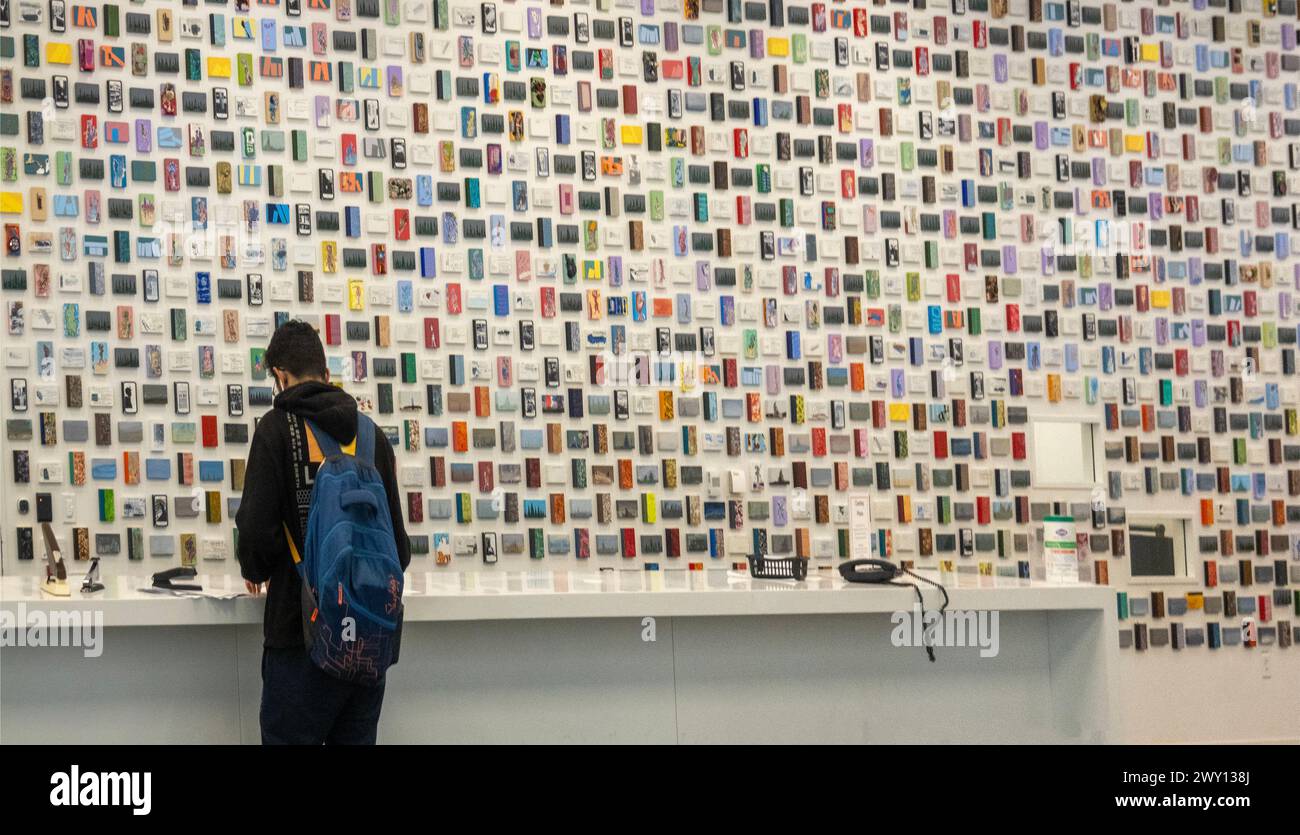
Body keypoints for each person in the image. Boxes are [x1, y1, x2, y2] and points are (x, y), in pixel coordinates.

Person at [236, 320, 410, 744]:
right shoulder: (371, 437)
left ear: (279, 375)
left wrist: (262, 564)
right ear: (325, 372)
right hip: (367, 645)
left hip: (300, 640)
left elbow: (255, 546)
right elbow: (399, 551)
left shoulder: (276, 431)